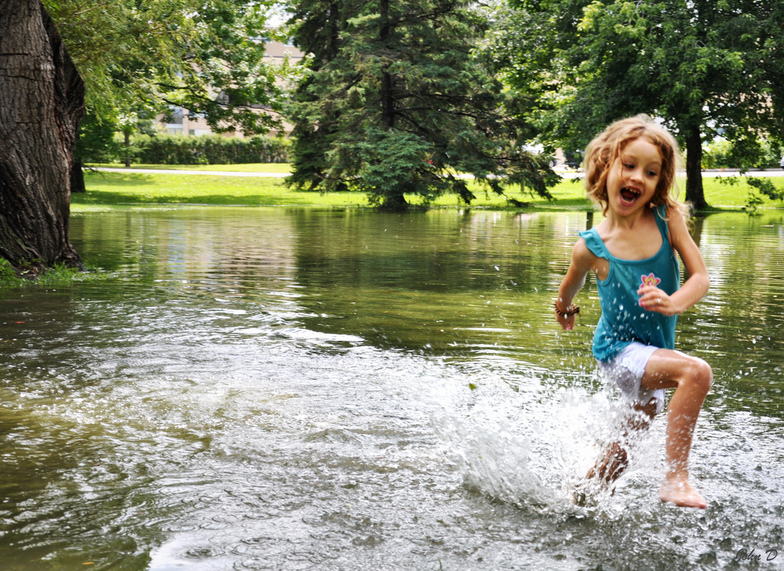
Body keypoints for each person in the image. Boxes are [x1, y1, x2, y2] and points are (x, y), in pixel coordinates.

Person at [555, 115, 712, 509]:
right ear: (606, 165)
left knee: (621, 453)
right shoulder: (592, 246)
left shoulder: (666, 219)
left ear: (660, 182)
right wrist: (566, 309)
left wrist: (675, 302)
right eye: (629, 165)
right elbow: (567, 289)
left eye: (652, 171)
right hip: (617, 352)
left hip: (653, 353)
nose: (638, 177)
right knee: (695, 372)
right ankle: (676, 479)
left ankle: (581, 497)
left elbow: (701, 277)